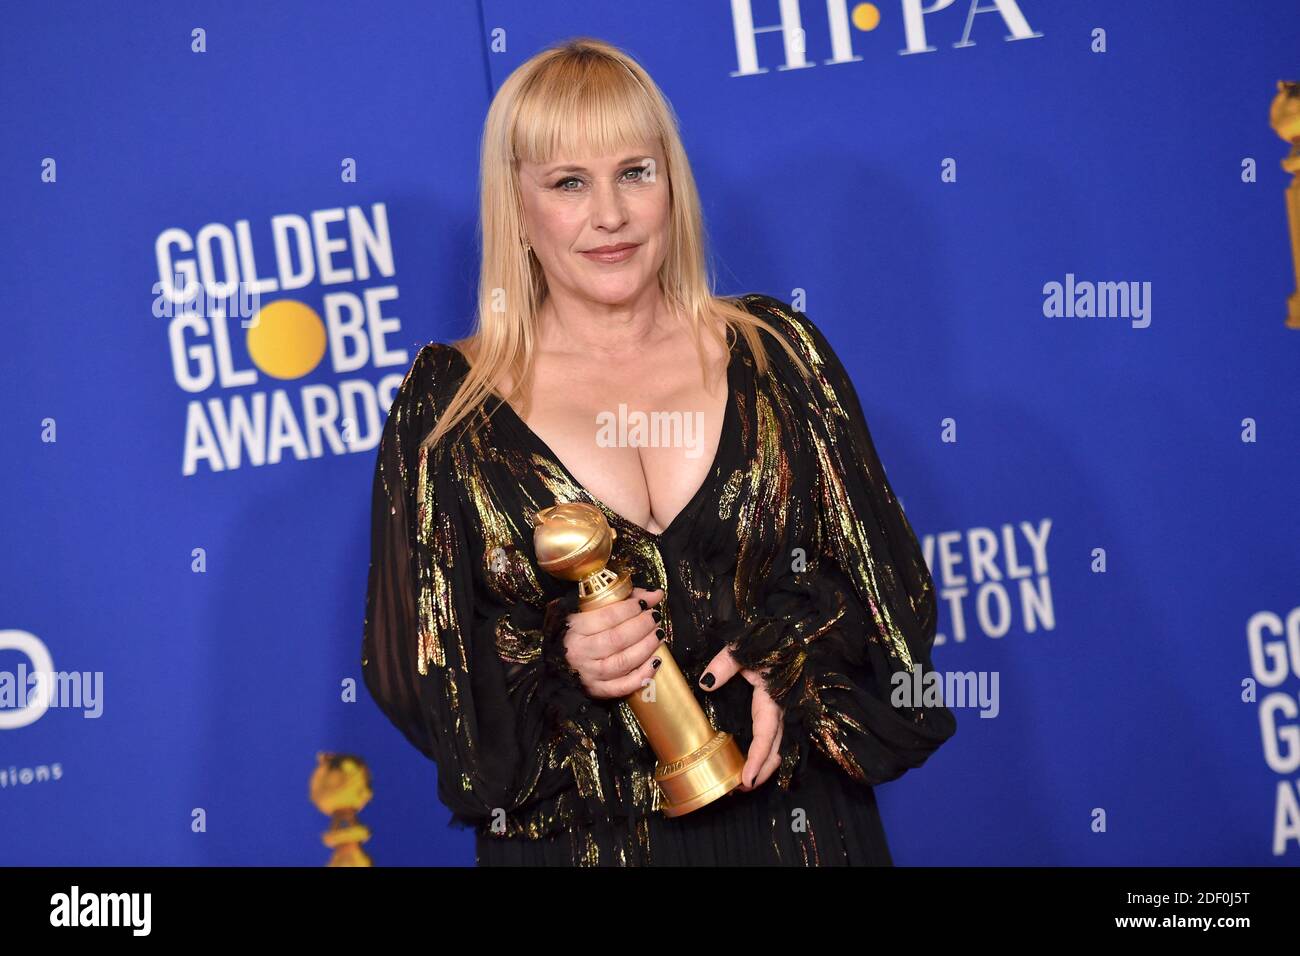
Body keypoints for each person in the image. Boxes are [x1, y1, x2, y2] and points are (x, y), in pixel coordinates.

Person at [361, 36, 956, 866]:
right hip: (581, 844)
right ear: (516, 207)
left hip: (797, 828)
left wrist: (789, 660)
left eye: (635, 172)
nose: (611, 215)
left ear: (671, 182)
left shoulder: (777, 354)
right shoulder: (449, 407)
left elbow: (890, 596)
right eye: (569, 182)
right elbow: (418, 674)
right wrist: (559, 659)